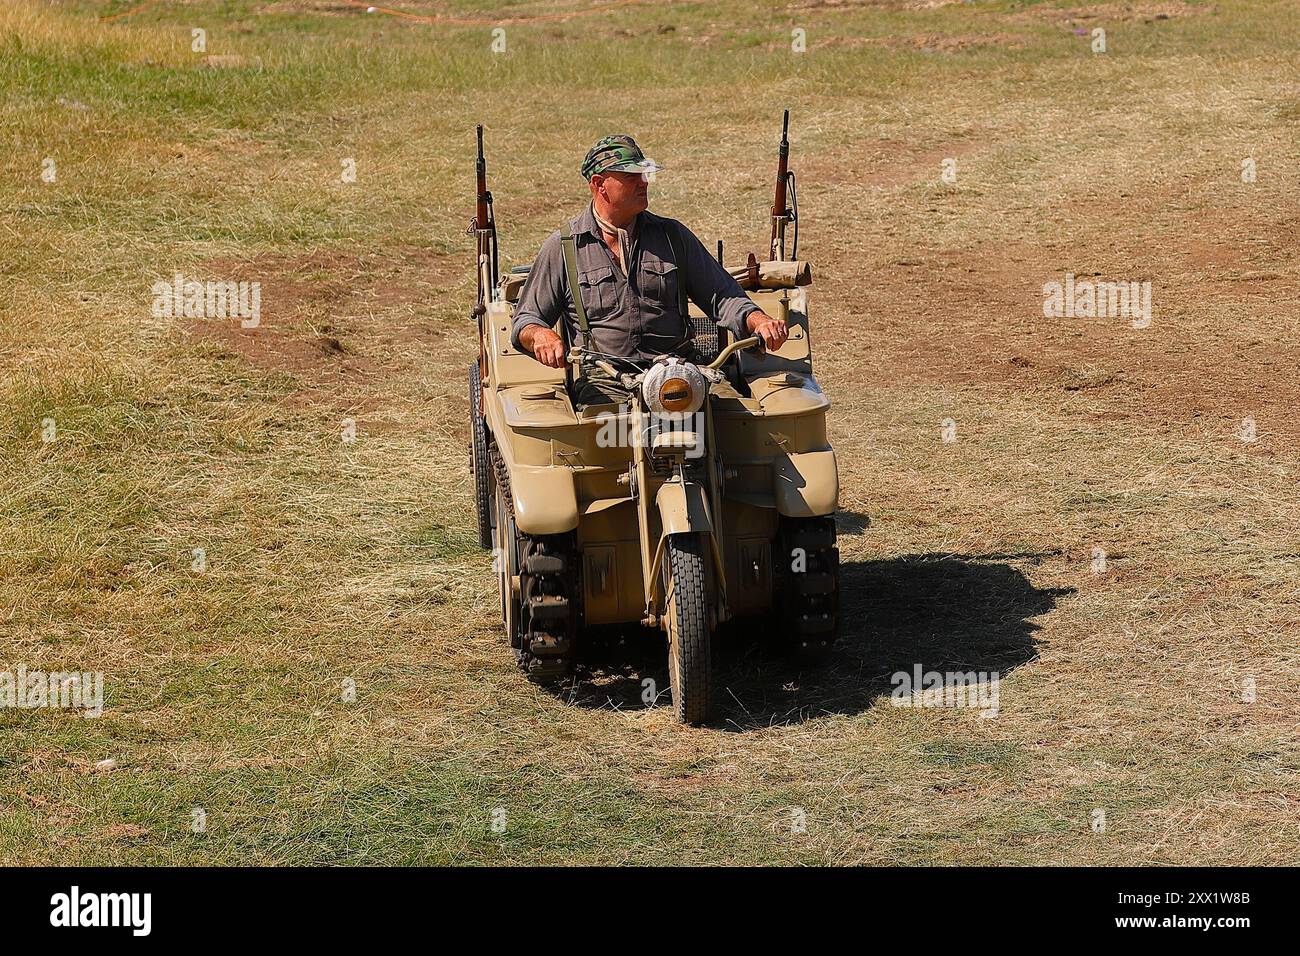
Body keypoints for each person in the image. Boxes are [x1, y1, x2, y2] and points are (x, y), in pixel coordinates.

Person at [511, 134, 788, 405]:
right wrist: (540, 335)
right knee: (607, 443)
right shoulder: (564, 247)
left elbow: (723, 296)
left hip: (682, 372)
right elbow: (526, 319)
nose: (644, 182)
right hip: (606, 383)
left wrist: (758, 320)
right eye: (631, 176)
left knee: (735, 426)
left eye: (644, 174)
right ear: (599, 184)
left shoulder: (673, 236)